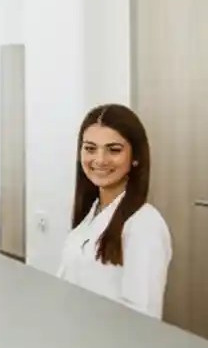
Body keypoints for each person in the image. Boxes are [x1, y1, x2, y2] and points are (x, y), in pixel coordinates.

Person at [56, 104, 172, 318]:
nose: (100, 160)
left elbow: (143, 316)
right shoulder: (93, 214)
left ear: (135, 157)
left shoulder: (145, 225)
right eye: (90, 148)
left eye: (114, 150)